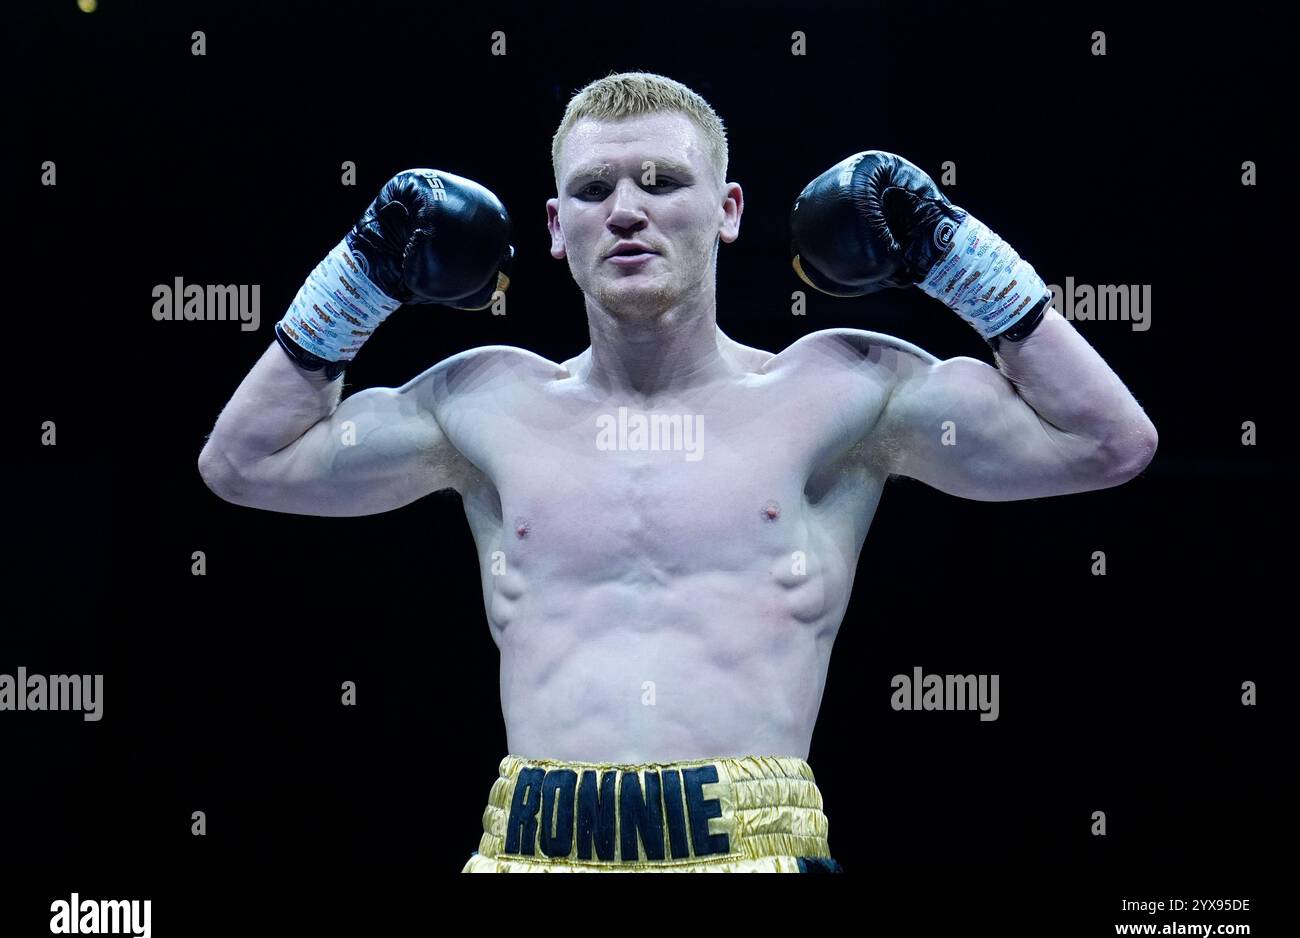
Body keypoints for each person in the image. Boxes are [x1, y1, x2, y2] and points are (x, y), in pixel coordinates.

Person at [197, 72, 1157, 873]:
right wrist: (358, 279)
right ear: (552, 224)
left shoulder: (842, 391)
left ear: (729, 209)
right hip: (531, 846)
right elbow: (244, 462)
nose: (625, 211)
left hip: (756, 845)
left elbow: (1109, 442)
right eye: (592, 189)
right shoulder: (480, 403)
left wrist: (956, 256)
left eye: (661, 181)